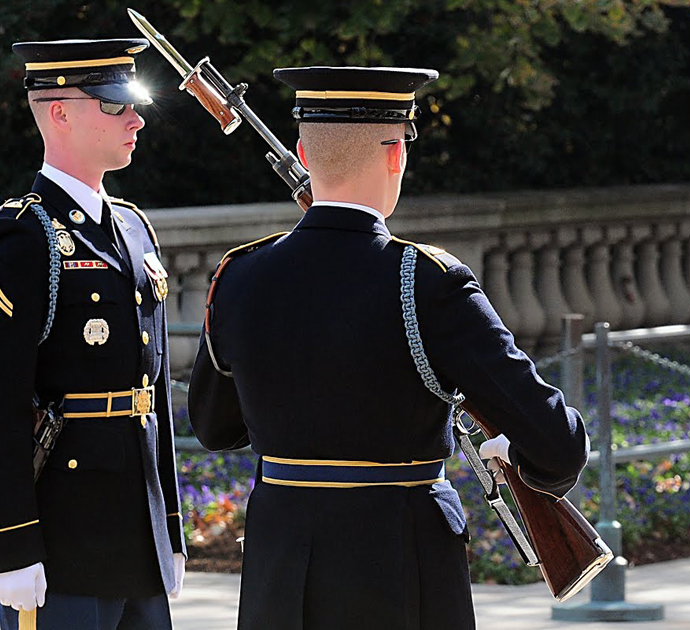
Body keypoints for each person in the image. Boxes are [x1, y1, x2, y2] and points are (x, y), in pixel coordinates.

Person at [187, 66, 590, 630]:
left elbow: (214, 426)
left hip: (279, 566)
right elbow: (558, 445)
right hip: (401, 565)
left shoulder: (239, 275)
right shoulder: (428, 280)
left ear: (304, 151)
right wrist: (511, 453)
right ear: (397, 153)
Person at [0, 39, 186, 629]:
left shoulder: (133, 228)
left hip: (138, 536)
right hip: (63, 544)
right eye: (114, 106)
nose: (135, 119)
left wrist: (171, 528)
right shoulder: (24, 237)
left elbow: (149, 397)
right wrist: (12, 544)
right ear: (59, 112)